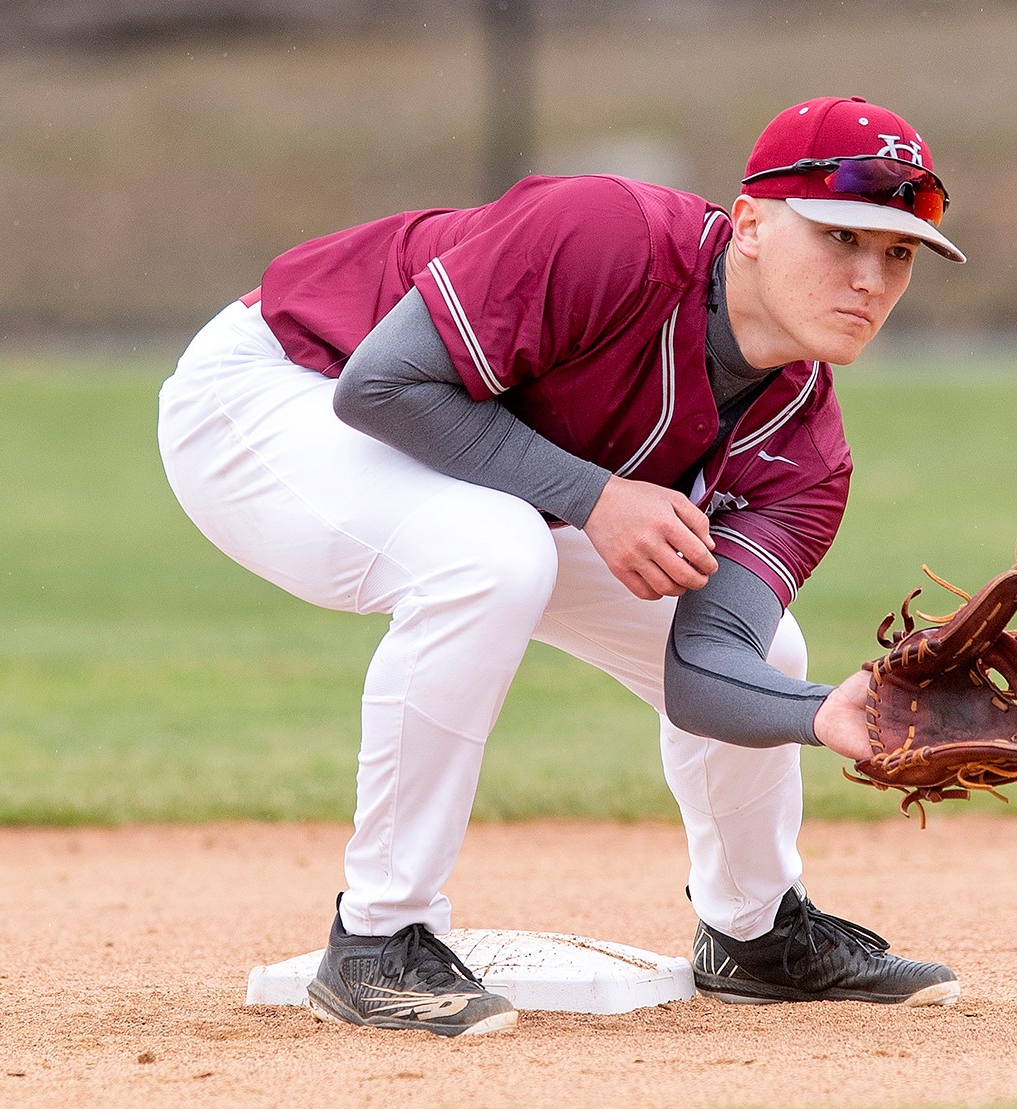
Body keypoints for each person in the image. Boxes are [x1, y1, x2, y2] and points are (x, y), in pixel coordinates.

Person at [156, 96, 967, 1037]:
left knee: (774, 649)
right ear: (749, 224)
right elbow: (380, 384)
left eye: (897, 253)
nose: (869, 278)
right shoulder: (609, 235)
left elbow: (705, 671)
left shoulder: (805, 449)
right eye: (840, 237)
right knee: (489, 556)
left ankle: (755, 935)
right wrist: (592, 497)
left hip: (486, 460)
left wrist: (826, 714)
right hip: (279, 388)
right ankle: (380, 935)